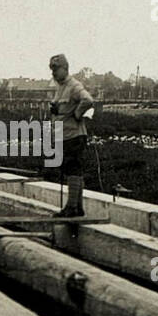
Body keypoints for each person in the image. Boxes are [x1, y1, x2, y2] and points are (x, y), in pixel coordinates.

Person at [48, 54, 95, 218]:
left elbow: (88, 100)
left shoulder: (74, 85)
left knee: (73, 168)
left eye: (56, 69)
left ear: (65, 68)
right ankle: (78, 207)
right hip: (64, 135)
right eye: (52, 69)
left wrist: (77, 114)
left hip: (74, 135)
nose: (53, 73)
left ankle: (72, 207)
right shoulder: (60, 87)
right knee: (72, 170)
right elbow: (60, 108)